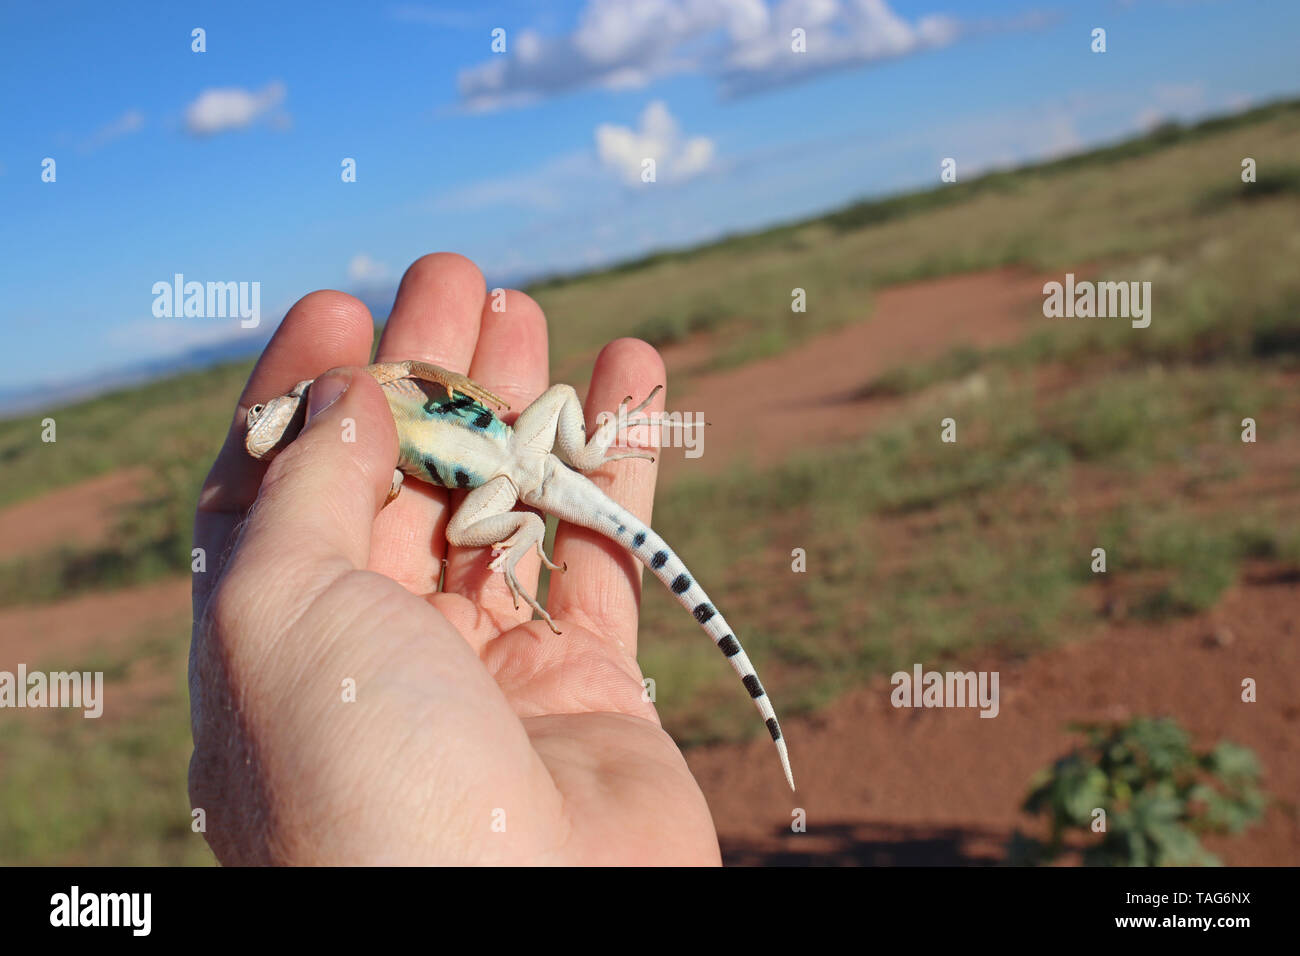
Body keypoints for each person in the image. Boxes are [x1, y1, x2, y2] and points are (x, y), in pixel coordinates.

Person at [187, 253, 721, 865]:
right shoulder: (362, 400)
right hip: (510, 462)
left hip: (517, 468)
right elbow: (400, 419)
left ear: (290, 402)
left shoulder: (341, 402)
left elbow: (410, 383)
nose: (261, 433)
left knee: (528, 459)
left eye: (263, 416)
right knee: (553, 414)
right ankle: (560, 488)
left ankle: (561, 486)